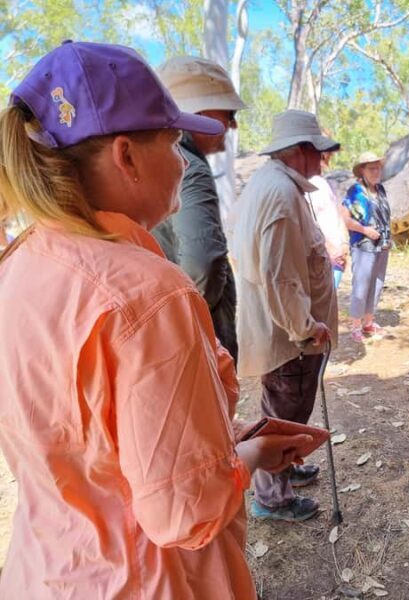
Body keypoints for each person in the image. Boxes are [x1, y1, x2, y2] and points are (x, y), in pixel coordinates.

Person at [0, 40, 311, 599]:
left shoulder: (20, 263)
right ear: (126, 156)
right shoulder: (148, 293)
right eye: (172, 142)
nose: (183, 160)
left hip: (47, 568)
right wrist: (240, 459)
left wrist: (221, 440)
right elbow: (184, 513)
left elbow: (87, 444)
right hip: (148, 578)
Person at [231, 109, 339, 522]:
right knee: (284, 413)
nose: (323, 160)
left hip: (287, 336)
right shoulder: (279, 193)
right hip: (289, 341)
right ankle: (271, 496)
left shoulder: (274, 185)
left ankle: (286, 465)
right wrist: (305, 328)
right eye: (318, 151)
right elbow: (279, 276)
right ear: (297, 151)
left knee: (286, 410)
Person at [150, 56, 246, 363]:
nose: (233, 125)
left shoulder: (155, 156)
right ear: (200, 113)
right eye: (228, 113)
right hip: (196, 346)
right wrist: (186, 327)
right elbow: (203, 263)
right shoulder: (187, 165)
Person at [342, 151, 392, 342]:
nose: (376, 172)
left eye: (378, 168)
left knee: (377, 284)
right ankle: (355, 325)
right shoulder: (355, 191)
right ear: (362, 170)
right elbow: (346, 219)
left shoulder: (380, 190)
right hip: (363, 246)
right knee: (361, 285)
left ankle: (369, 322)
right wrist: (365, 230)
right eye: (371, 168)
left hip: (382, 245)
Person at [308, 147, 349, 288]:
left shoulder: (325, 184)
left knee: (331, 300)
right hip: (323, 255)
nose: (329, 155)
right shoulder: (308, 186)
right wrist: (329, 250)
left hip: (336, 255)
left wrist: (344, 245)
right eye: (325, 153)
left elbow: (338, 215)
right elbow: (310, 223)